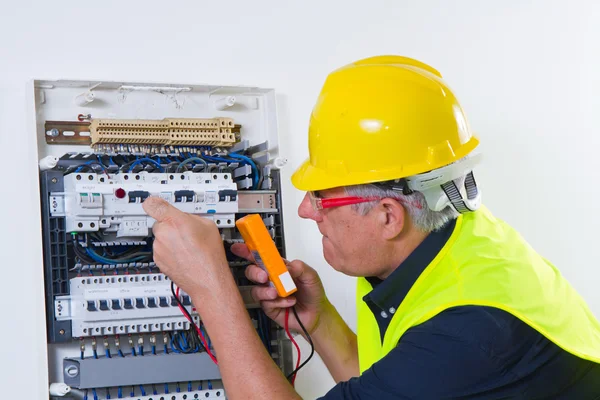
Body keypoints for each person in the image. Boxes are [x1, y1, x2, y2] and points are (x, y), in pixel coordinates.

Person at [142, 55, 600, 399]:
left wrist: (209, 287)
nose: (304, 211)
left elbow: (433, 365)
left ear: (388, 215)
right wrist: (319, 320)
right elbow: (397, 383)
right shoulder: (452, 247)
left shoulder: (468, 330)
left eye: (322, 195)